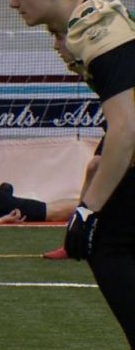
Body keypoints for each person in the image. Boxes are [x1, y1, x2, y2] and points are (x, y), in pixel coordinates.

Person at [5, 0, 135, 350]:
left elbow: (128, 129)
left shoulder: (96, 30)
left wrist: (87, 210)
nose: (12, 0)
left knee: (107, 244)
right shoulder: (86, 25)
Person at [43, 30, 104, 260]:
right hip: (122, 121)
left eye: (59, 38)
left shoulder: (107, 61)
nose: (56, 46)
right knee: (95, 167)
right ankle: (74, 240)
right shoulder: (90, 68)